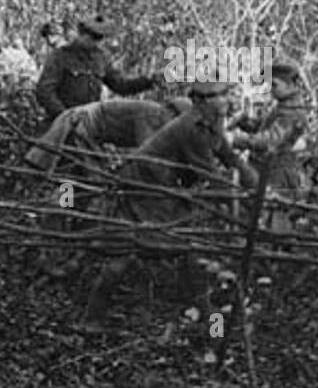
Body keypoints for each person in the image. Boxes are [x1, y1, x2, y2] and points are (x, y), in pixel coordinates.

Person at [82, 80, 248, 327]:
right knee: (149, 244)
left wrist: (259, 188)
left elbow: (230, 157)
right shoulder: (190, 127)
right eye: (218, 96)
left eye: (225, 94)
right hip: (146, 184)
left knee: (170, 244)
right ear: (201, 102)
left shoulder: (213, 122)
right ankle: (209, 319)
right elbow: (209, 173)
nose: (226, 99)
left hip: (161, 185)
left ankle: (205, 315)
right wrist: (239, 203)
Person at [229, 60, 310, 234]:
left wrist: (237, 140)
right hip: (269, 168)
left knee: (275, 218)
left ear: (291, 85)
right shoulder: (283, 106)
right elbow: (265, 128)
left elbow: (270, 139)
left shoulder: (292, 111)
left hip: (279, 172)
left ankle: (276, 255)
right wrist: (246, 123)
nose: (272, 90)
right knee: (262, 214)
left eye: (275, 85)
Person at [34, 14, 159, 121]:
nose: (96, 42)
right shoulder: (61, 56)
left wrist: (150, 81)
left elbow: (121, 85)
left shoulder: (100, 57)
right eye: (93, 37)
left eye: (100, 38)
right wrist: (65, 116)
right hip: (63, 122)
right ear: (81, 34)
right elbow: (44, 91)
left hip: (91, 123)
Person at [24, 97, 192, 174]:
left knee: (77, 177)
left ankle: (71, 220)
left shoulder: (157, 118)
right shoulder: (152, 114)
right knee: (89, 179)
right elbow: (146, 155)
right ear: (171, 112)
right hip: (82, 124)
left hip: (90, 131)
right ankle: (61, 219)